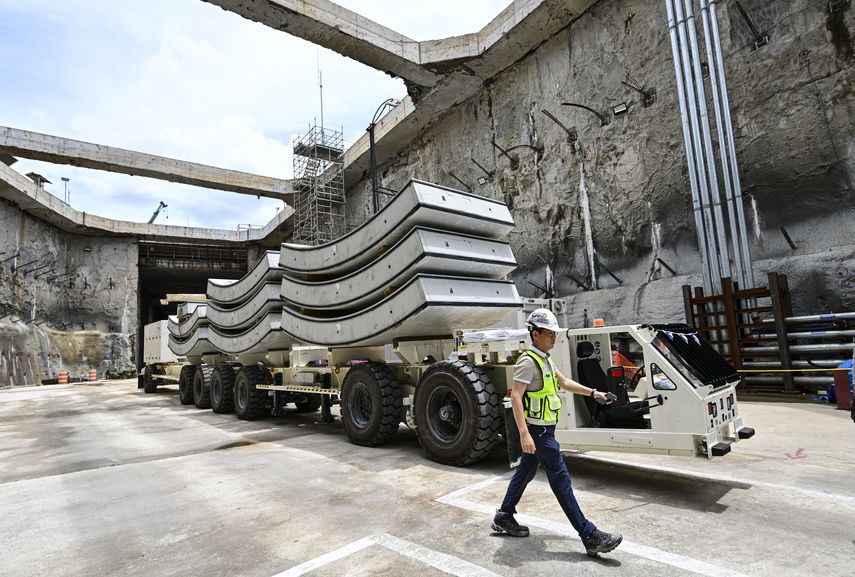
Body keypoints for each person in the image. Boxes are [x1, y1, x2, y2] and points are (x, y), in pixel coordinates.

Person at [492, 308, 623, 557]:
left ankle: (504, 516)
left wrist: (595, 393)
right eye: (549, 333)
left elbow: (564, 382)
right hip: (539, 433)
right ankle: (589, 534)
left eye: (554, 333)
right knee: (562, 482)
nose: (554, 337)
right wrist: (524, 434)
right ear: (535, 333)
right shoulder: (527, 362)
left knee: (524, 473)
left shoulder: (545, 359)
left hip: (545, 431)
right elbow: (516, 397)